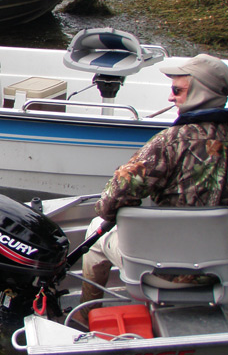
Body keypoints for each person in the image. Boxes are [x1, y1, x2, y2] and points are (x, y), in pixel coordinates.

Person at [80, 54, 228, 305]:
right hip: (223, 272)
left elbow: (109, 204)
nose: (170, 97)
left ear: (200, 93)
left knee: (95, 234)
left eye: (177, 90)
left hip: (165, 273)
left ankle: (85, 314)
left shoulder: (169, 142)